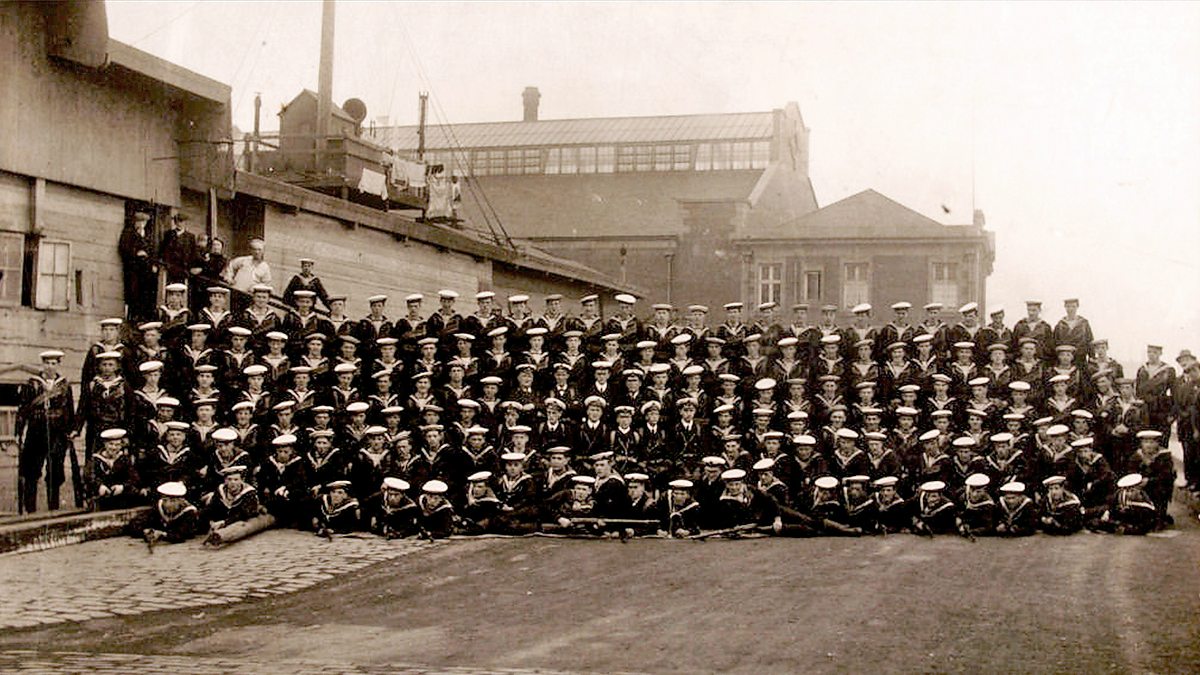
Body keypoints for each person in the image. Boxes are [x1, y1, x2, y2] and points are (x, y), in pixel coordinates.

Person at [16, 350, 79, 512]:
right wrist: (19, 431)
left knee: (54, 471)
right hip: (35, 431)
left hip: (58, 432)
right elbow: (23, 409)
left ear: (58, 364)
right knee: (31, 471)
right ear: (42, 364)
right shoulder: (32, 384)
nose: (50, 367)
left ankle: (53, 508)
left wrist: (72, 430)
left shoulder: (64, 385)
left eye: (53, 363)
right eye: (47, 363)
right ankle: (30, 510)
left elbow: (70, 410)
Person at [118, 211, 159, 321]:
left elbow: (153, 251)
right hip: (134, 268)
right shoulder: (128, 233)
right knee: (133, 292)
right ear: (135, 222)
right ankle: (133, 317)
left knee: (147, 292)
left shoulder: (148, 235)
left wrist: (153, 264)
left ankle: (145, 316)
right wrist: (136, 252)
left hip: (147, 269)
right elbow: (123, 248)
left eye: (144, 222)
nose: (142, 224)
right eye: (140, 222)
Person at [136, 481, 202, 545]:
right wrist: (146, 531)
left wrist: (162, 535)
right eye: (165, 499)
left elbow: (182, 535)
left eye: (172, 500)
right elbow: (140, 523)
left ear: (181, 500)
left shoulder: (189, 512)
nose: (168, 503)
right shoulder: (160, 506)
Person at [159, 212, 199, 284]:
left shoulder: (190, 237)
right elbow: (162, 249)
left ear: (185, 223)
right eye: (177, 221)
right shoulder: (168, 234)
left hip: (184, 268)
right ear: (175, 222)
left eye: (182, 222)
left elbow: (193, 253)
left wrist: (193, 266)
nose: (180, 224)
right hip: (170, 267)